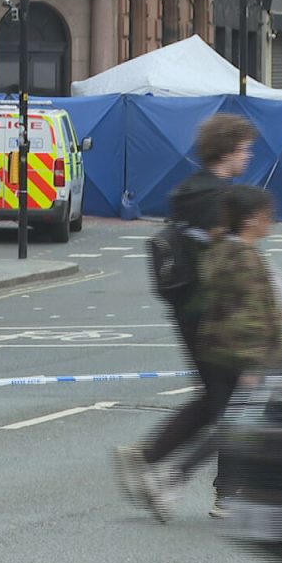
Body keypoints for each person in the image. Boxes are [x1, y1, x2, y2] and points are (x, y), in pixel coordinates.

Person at [113, 112, 262, 520]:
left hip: (189, 312)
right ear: (227, 152)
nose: (248, 156)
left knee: (219, 400)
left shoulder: (189, 191)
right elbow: (230, 261)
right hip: (215, 316)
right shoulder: (219, 202)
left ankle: (153, 460)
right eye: (245, 149)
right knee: (235, 404)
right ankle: (184, 482)